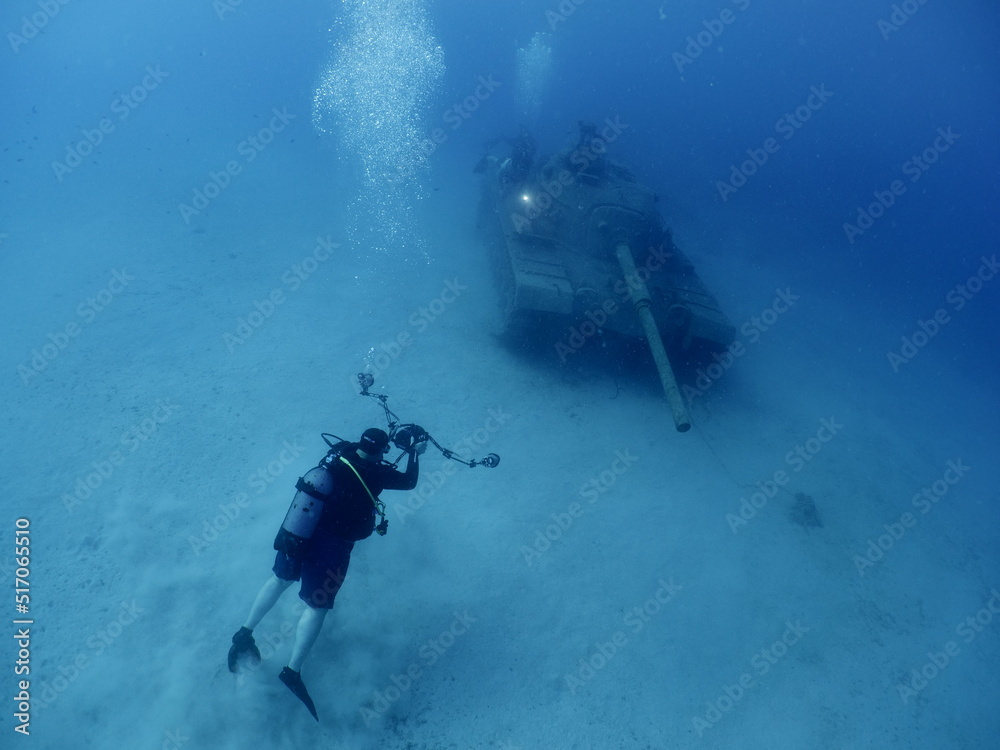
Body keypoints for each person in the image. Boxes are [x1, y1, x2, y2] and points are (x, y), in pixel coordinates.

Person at [227, 427, 424, 720]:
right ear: (381, 451)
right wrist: (414, 453)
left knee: (278, 580)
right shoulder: (376, 474)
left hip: (302, 529)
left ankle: (243, 635)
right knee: (316, 607)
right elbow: (409, 482)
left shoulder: (340, 453)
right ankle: (293, 671)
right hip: (332, 547)